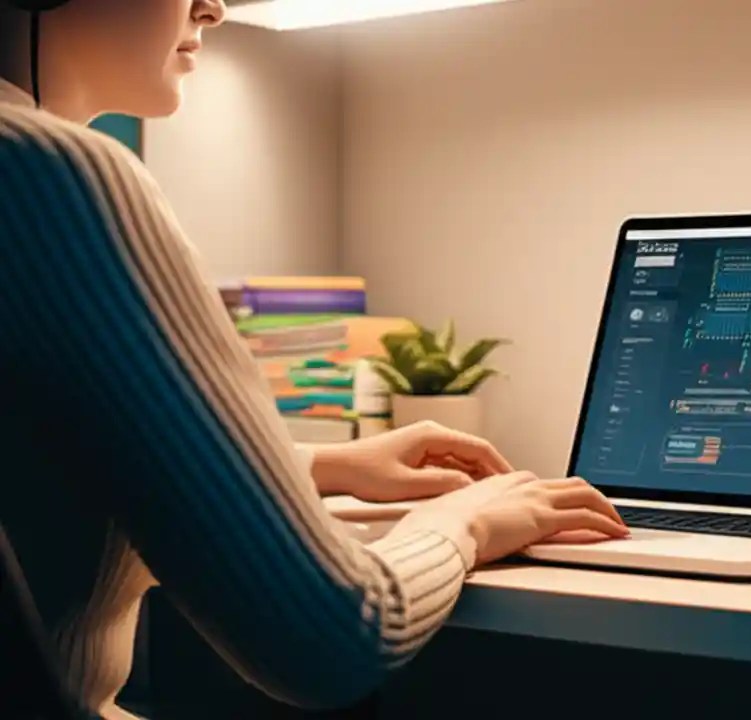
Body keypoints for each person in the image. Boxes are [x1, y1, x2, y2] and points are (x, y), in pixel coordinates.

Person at [0, 1, 629, 718]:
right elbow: (336, 638)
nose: (213, 5)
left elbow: (45, 458)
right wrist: (469, 521)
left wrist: (322, 465)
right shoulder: (52, 174)